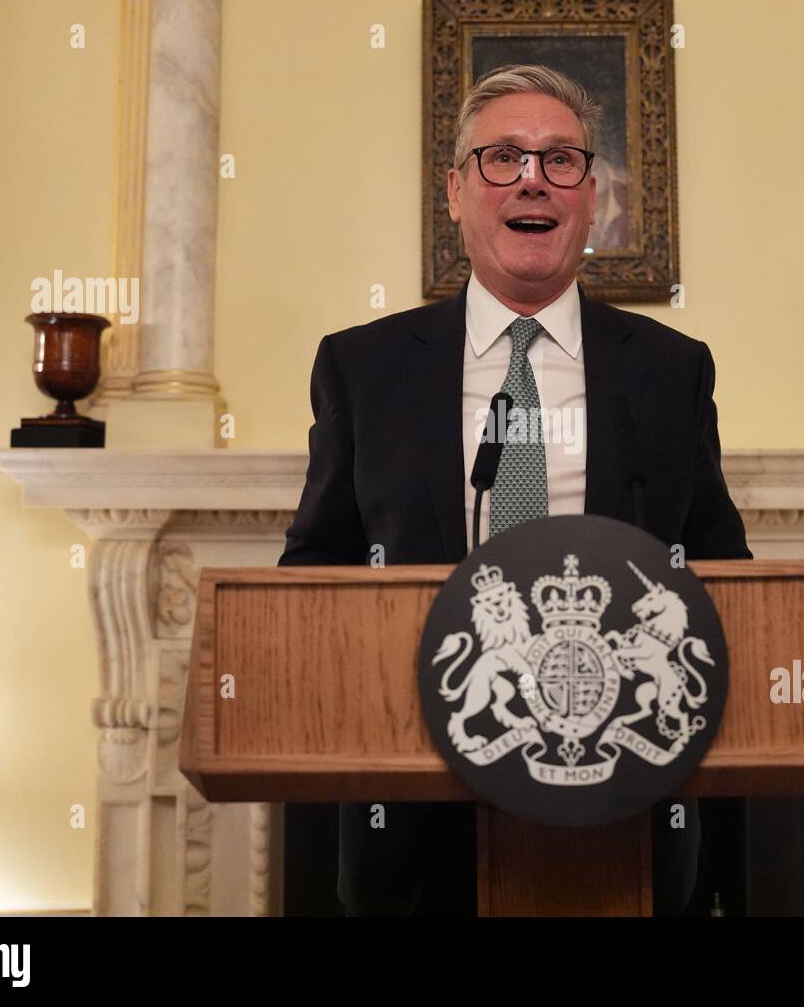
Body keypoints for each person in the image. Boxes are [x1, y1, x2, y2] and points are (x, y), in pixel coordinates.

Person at [279, 63, 752, 916]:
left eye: (559, 159)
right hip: (414, 806)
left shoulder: (670, 370)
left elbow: (721, 567)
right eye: (502, 157)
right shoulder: (363, 367)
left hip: (623, 792)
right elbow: (318, 561)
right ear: (456, 192)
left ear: (592, 197)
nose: (532, 177)